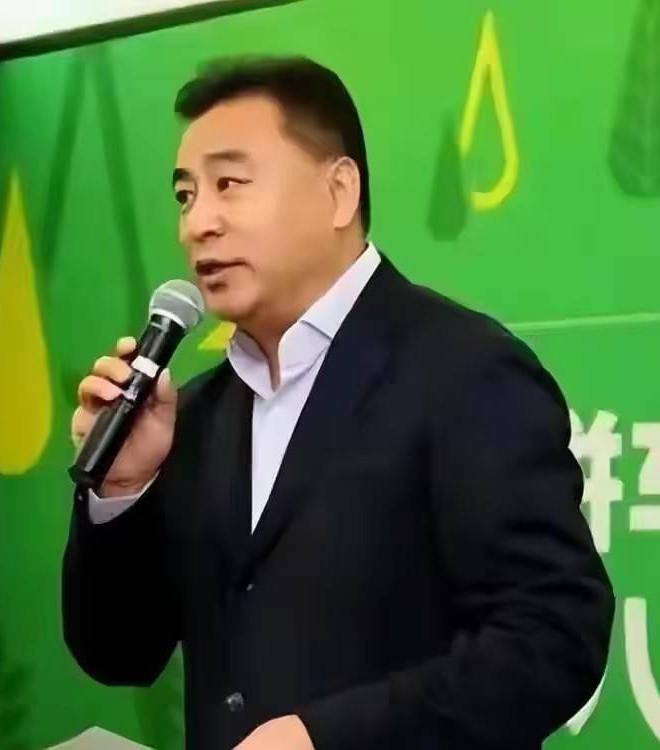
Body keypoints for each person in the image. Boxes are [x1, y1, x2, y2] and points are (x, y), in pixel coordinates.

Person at [63, 55, 614, 750]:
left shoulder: (464, 372)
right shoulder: (198, 414)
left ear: (339, 191)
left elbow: (553, 637)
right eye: (185, 195)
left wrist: (328, 738)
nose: (197, 223)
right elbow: (118, 653)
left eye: (229, 184)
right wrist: (123, 489)